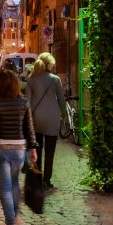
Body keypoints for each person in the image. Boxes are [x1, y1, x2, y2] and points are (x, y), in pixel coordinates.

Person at [0, 70, 38, 225]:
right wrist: (33, 148)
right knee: (15, 183)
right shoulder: (23, 101)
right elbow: (29, 127)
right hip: (19, 148)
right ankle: (13, 218)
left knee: (6, 188)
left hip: (1, 148)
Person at [25, 52, 66, 189]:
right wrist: (64, 114)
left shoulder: (31, 79)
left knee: (37, 150)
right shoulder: (55, 79)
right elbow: (61, 100)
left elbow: (28, 102)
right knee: (50, 151)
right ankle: (47, 180)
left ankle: (37, 178)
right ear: (48, 64)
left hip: (36, 119)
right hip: (52, 118)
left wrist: (28, 118)